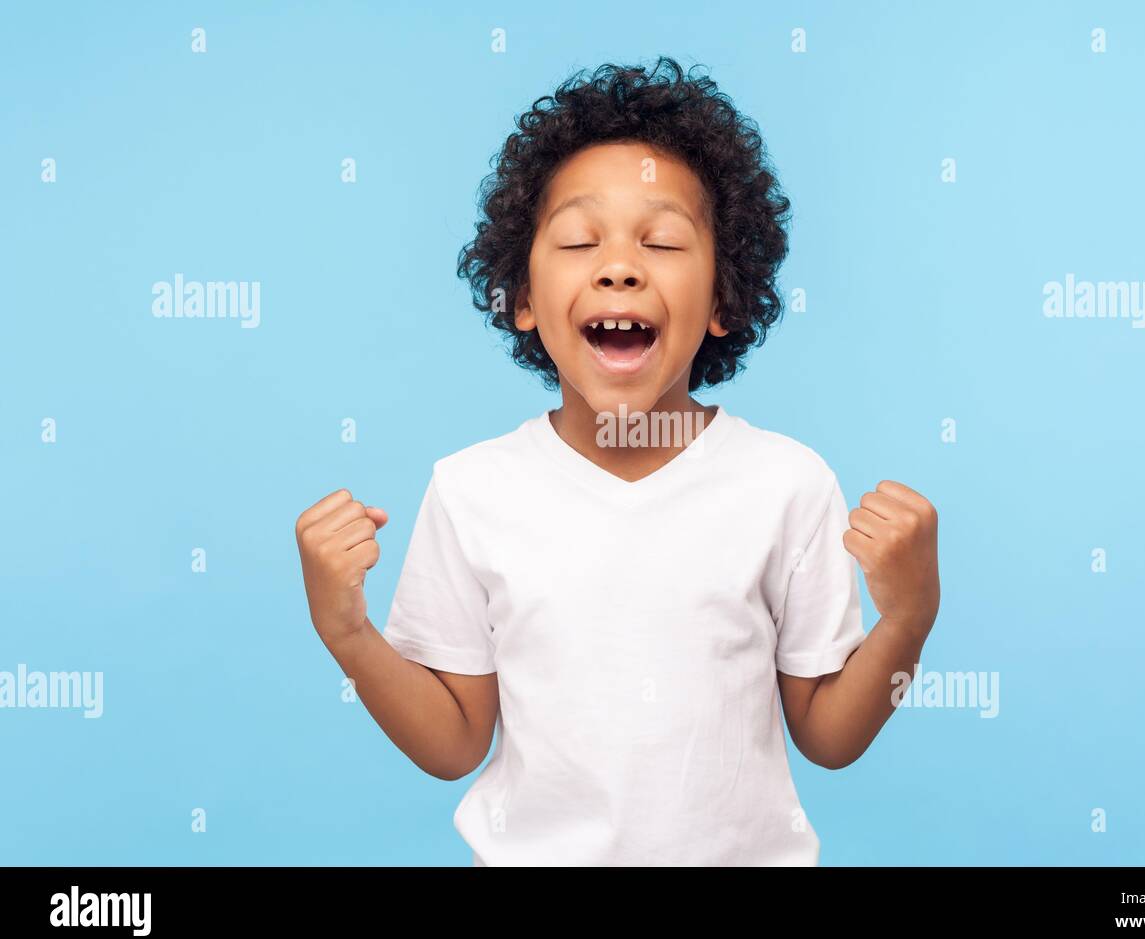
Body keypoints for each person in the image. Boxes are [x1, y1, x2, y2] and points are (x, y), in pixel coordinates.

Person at [295, 56, 940, 866]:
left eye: (664, 240)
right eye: (576, 238)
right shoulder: (471, 489)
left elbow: (828, 735)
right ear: (522, 297)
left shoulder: (787, 483)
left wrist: (910, 618)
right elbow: (456, 743)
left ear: (722, 301)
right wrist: (347, 630)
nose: (620, 264)